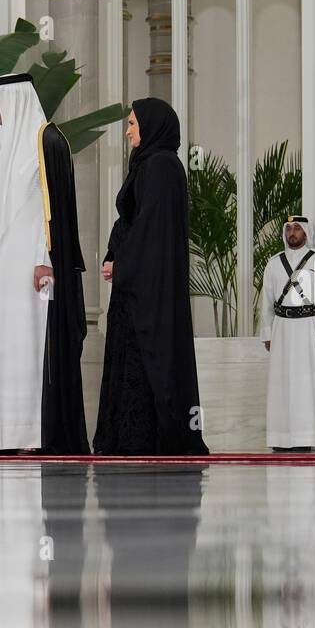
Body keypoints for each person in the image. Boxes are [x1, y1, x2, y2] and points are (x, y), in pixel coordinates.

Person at [0, 74, 89, 455]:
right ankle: (2, 434)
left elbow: (58, 210)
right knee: (1, 348)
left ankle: (34, 433)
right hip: (0, 270)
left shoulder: (48, 141)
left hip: (34, 268)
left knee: (31, 347)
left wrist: (45, 259)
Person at [93, 97, 210, 456]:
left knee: (148, 362)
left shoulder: (160, 166)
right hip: (137, 290)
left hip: (148, 294)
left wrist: (122, 263)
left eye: (132, 124)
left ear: (151, 125)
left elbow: (150, 231)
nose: (127, 131)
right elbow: (130, 223)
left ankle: (143, 440)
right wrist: (116, 254)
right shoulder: (149, 166)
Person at [260, 215, 315, 452]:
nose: (292, 232)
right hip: (282, 328)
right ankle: (280, 438)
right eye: (289, 228)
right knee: (281, 383)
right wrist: (267, 333)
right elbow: (266, 302)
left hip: (310, 328)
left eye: (297, 228)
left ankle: (306, 437)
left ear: (306, 233)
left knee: (308, 383)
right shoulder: (274, 263)